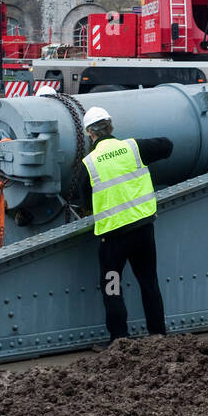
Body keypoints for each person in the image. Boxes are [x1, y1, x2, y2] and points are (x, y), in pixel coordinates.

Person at [80, 105, 172, 345]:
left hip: (114, 239)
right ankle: (158, 336)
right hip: (143, 232)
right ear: (110, 126)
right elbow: (166, 145)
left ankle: (119, 340)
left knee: (112, 287)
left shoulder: (88, 164)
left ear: (91, 133)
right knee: (149, 282)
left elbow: (84, 201)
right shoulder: (133, 147)